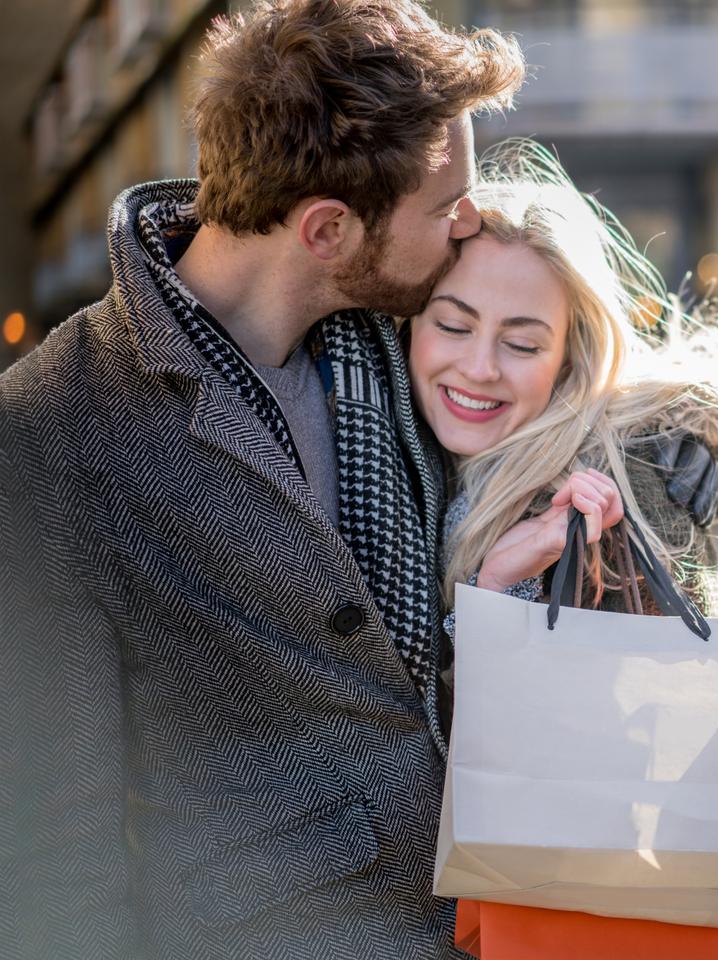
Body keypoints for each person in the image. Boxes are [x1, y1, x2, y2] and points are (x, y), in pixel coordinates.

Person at [0, 1, 530, 956]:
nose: (472, 219)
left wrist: (689, 446)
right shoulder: (48, 431)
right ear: (327, 231)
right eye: (445, 203)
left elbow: (570, 378)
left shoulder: (406, 320)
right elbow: (53, 852)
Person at [406, 141, 718, 960]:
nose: (478, 368)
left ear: (571, 355)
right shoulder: (410, 455)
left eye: (523, 343)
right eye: (453, 325)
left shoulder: (627, 487)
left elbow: (669, 776)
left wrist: (502, 595)